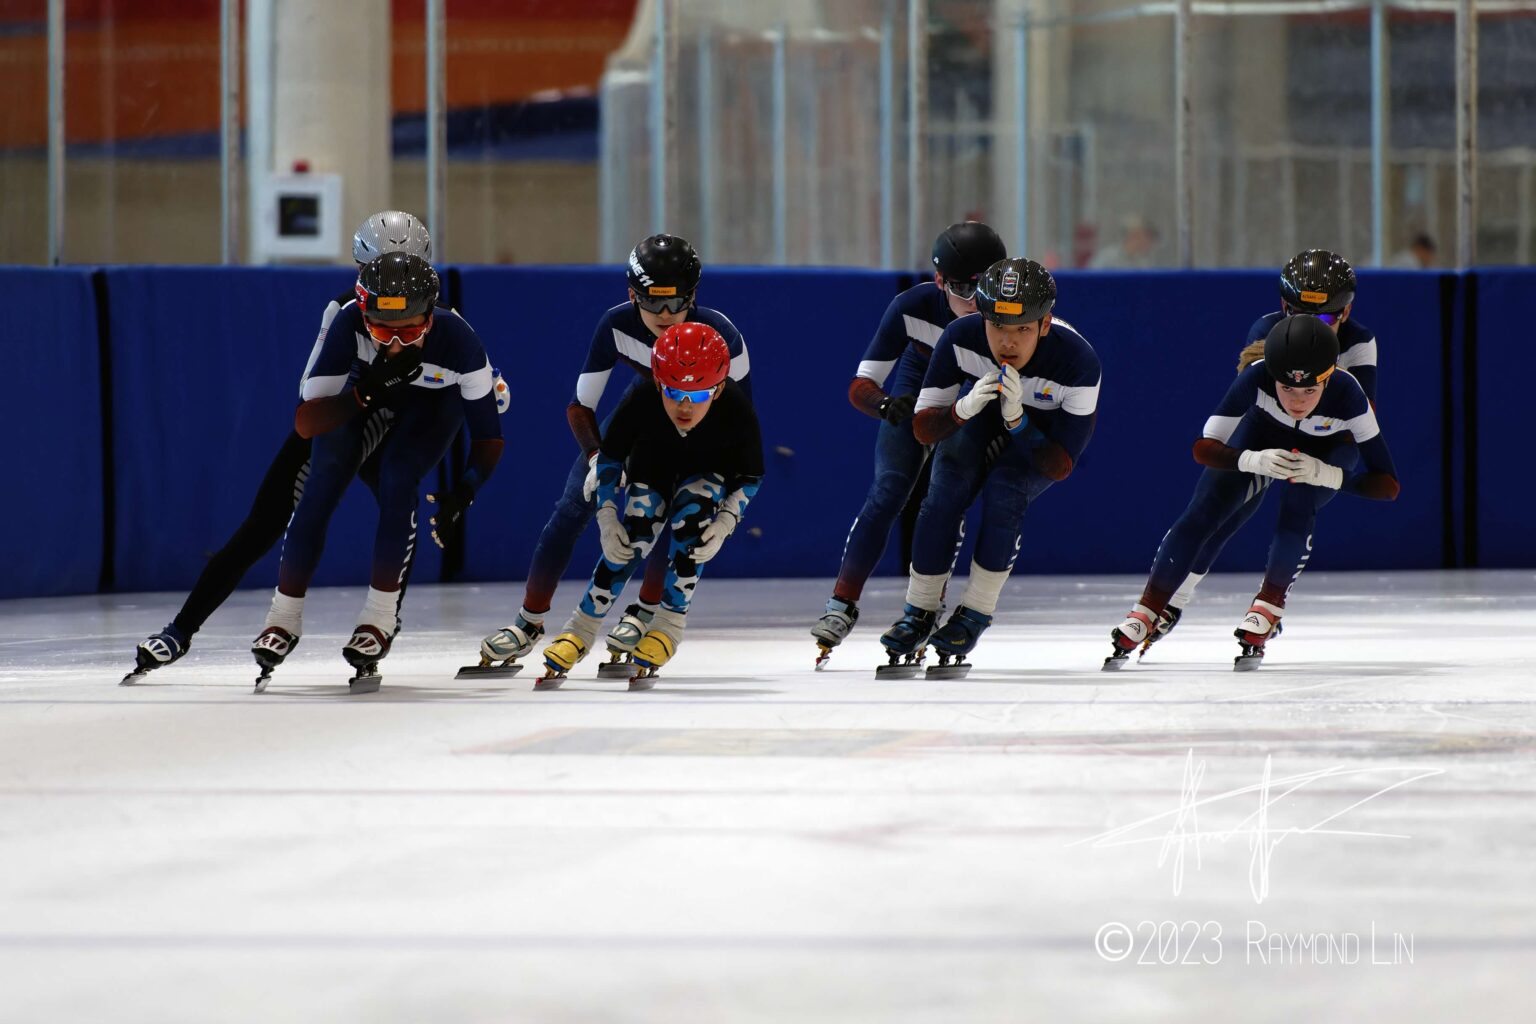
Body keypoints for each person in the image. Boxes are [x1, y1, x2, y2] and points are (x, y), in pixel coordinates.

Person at [122, 212, 483, 683]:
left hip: (403, 423)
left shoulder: (444, 321)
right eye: (373, 274)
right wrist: (360, 397)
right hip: (349, 413)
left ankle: (382, 617)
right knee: (266, 519)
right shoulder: (344, 311)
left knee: (399, 497)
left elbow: (473, 384)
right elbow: (310, 398)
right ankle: (180, 630)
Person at [477, 234, 750, 670]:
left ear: (693, 296)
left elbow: (739, 426)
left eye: (676, 302)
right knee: (571, 507)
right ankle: (529, 619)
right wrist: (594, 459)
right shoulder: (616, 325)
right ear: (631, 295)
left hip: (698, 424)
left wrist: (730, 509)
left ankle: (643, 612)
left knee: (676, 512)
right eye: (651, 303)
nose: (665, 315)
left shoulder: (722, 336)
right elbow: (580, 405)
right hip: (640, 413)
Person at [250, 252, 504, 682]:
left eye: (411, 330)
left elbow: (487, 437)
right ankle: (283, 616)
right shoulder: (348, 321)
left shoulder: (460, 341)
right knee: (322, 481)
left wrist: (466, 490)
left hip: (432, 406)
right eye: (383, 329)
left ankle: (380, 617)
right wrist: (366, 391)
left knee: (399, 475)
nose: (396, 343)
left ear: (432, 316)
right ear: (364, 315)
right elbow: (306, 423)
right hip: (365, 393)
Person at [1105, 315, 1400, 671]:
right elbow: (1203, 448)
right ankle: (1149, 607)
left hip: (1328, 450)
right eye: (1288, 389)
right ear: (1272, 375)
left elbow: (1387, 485)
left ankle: (1269, 605)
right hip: (1262, 439)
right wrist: (1249, 459)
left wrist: (1327, 473)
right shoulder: (1257, 375)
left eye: (1310, 390)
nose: (1298, 401)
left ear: (1328, 378)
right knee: (1205, 509)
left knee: (1299, 500)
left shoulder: (1350, 394)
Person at [1142, 248, 1378, 652]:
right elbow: (1251, 400)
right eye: (1298, 316)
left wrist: (1319, 461)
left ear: (1347, 311)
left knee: (1300, 500)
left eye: (1324, 318)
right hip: (1267, 430)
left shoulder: (1359, 342)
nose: (1311, 327)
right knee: (1219, 510)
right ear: (1281, 306)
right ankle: (1174, 601)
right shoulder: (1264, 330)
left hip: (1326, 441)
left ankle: (1271, 602)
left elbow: (1359, 413)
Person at [878, 258, 1101, 675]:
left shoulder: (1079, 364)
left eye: (1021, 329)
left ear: (1046, 324)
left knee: (1006, 492)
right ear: (980, 318)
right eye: (997, 327)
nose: (1008, 343)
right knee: (942, 495)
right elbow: (925, 430)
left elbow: (1058, 465)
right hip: (977, 413)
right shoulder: (960, 337)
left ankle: (974, 614)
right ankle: (918, 611)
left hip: (1040, 438)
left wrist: (1018, 421)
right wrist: (962, 409)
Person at [810, 221, 1007, 667]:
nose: (977, 300)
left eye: (987, 285)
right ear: (938, 282)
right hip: (923, 389)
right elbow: (862, 383)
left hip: (979, 398)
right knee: (887, 493)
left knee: (945, 497)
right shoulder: (912, 306)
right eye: (963, 287)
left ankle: (924, 609)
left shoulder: (1010, 310)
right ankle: (841, 603)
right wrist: (885, 407)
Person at [533, 323, 763, 689]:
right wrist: (607, 518)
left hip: (707, 471)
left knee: (695, 529)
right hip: (651, 467)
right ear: (658, 383)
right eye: (673, 391)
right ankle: (580, 628)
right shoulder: (641, 396)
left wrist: (727, 520)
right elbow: (609, 461)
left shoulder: (736, 407)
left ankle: (669, 625)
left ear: (718, 389)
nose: (685, 406)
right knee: (632, 536)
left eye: (698, 394)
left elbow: (750, 476)